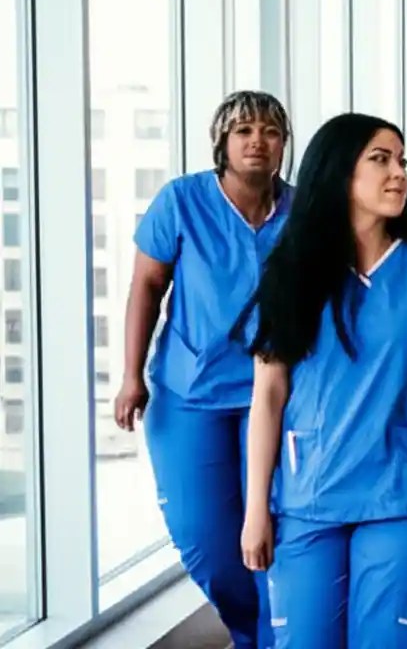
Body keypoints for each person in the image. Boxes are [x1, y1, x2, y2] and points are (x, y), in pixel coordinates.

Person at [236, 113, 407, 648]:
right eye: (381, 159)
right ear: (337, 173)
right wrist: (256, 505)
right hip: (309, 498)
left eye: (402, 161)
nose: (399, 173)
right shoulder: (289, 271)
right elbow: (269, 396)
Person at [114, 90, 292, 648]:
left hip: (282, 399)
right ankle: (249, 633)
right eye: (243, 131)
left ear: (285, 143)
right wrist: (130, 375)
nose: (257, 141)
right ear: (222, 142)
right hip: (190, 396)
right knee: (208, 544)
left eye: (269, 131)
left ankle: (271, 640)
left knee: (277, 538)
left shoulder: (304, 211)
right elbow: (146, 286)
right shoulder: (182, 201)